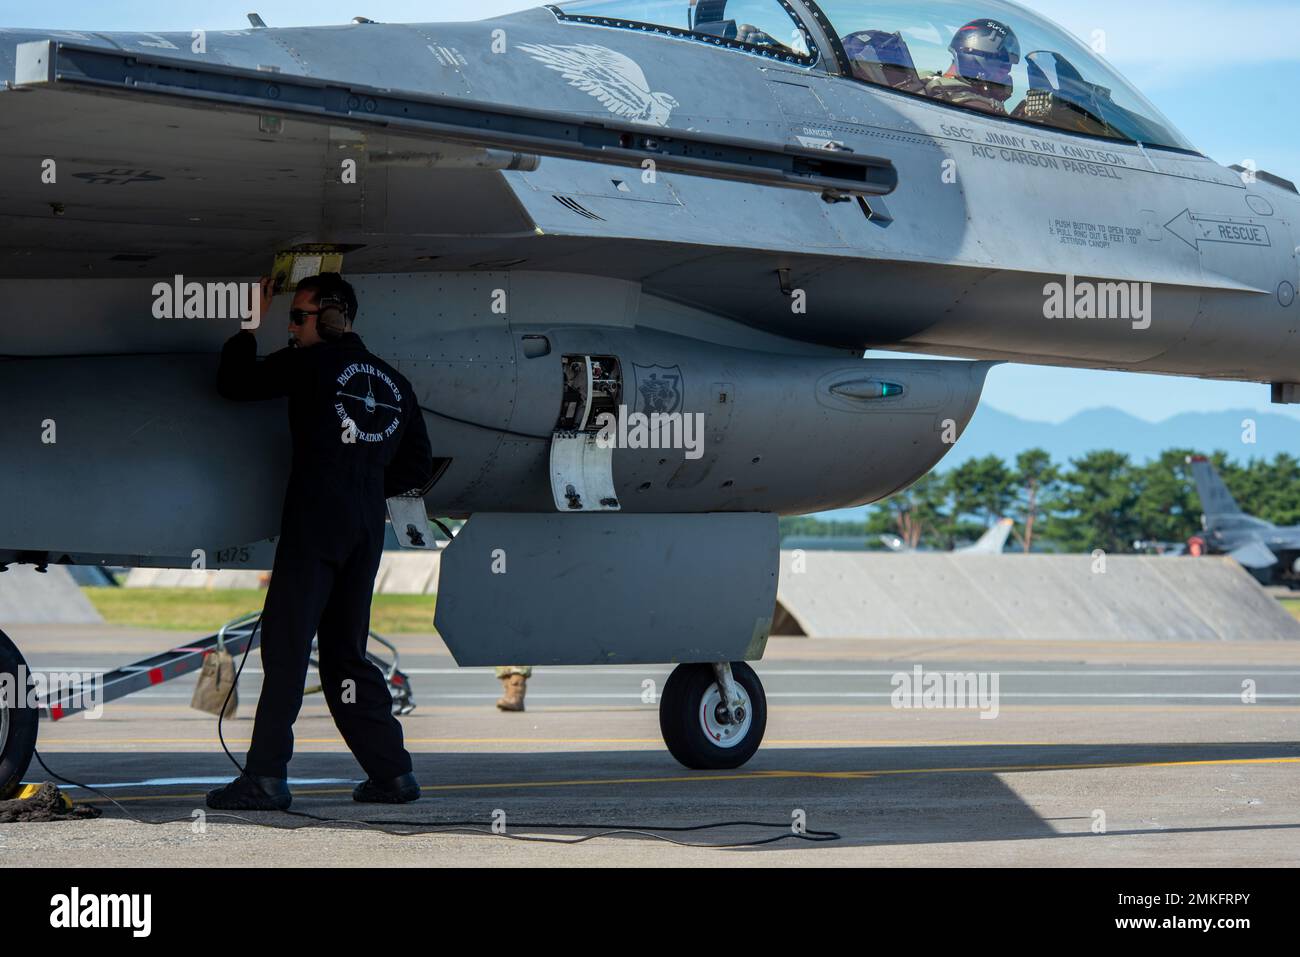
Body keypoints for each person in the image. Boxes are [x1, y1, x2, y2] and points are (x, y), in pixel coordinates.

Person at [207, 273, 434, 811]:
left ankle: (266, 777)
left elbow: (234, 384)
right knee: (345, 654)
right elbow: (417, 466)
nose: (291, 328)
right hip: (365, 527)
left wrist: (248, 327)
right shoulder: (394, 382)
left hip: (315, 522)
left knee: (286, 648)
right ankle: (393, 774)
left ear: (333, 317)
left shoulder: (311, 364)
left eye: (298, 317)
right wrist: (363, 479)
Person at [923, 18, 1020, 115]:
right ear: (975, 63)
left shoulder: (924, 82)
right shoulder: (981, 110)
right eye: (1004, 66)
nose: (1007, 72)